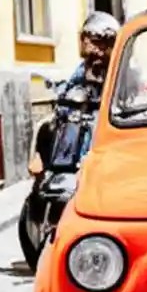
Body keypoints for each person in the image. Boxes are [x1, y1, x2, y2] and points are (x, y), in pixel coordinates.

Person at [28, 12, 122, 177]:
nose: (96, 51)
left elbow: (138, 98)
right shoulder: (80, 72)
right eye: (91, 42)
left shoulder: (124, 72)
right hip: (74, 155)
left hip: (110, 149)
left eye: (102, 44)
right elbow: (65, 94)